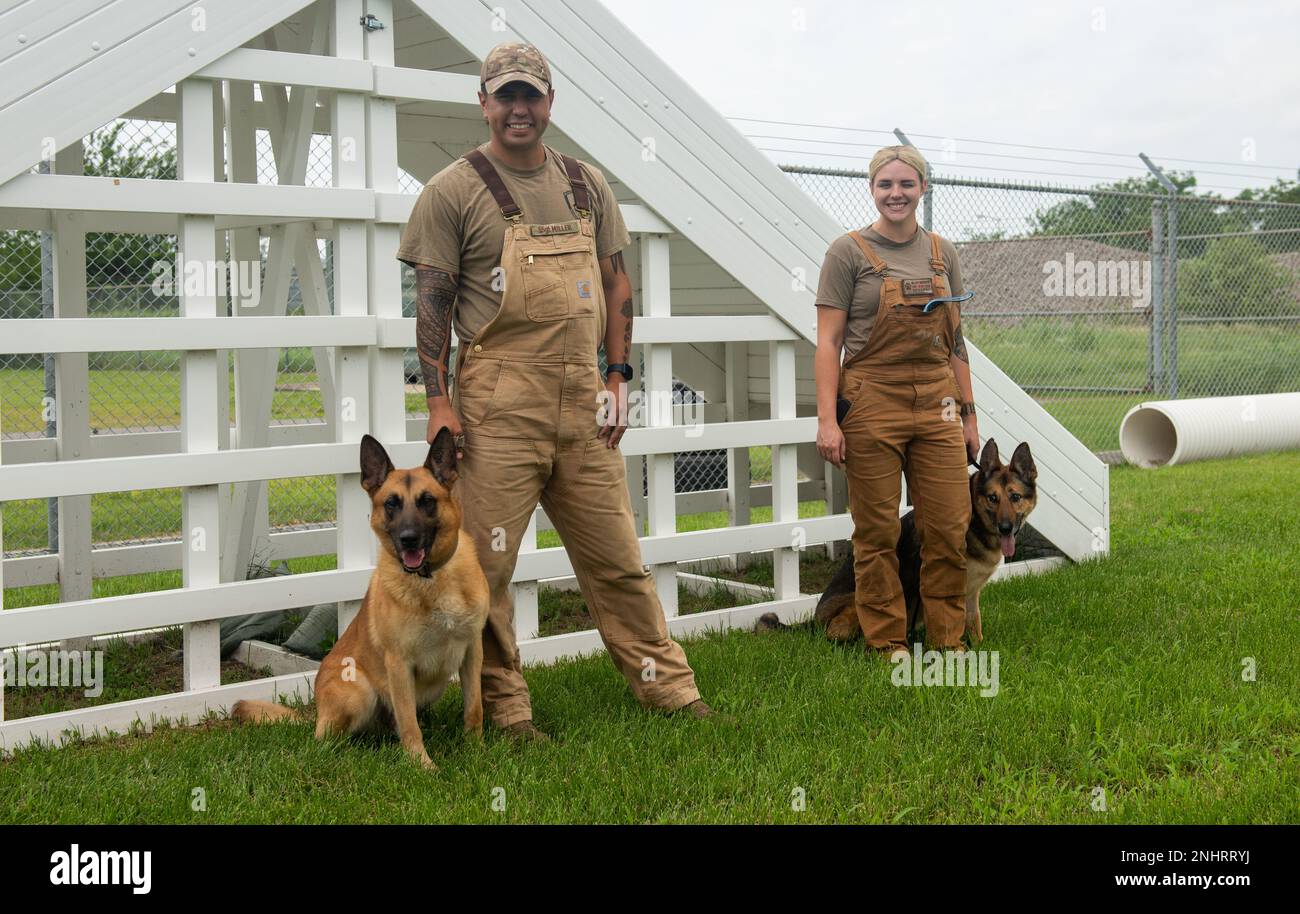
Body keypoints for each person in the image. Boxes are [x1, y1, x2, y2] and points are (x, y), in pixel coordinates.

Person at [396, 42, 717, 741]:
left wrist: (617, 377)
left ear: (549, 103)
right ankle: (507, 714)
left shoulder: (585, 184)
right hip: (497, 409)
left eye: (530, 95)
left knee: (618, 561)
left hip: (585, 404)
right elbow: (433, 303)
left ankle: (670, 691)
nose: (518, 108)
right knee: (488, 568)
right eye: (505, 95)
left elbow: (616, 285)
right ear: (483, 103)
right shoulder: (451, 191)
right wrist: (439, 402)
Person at [813, 145, 980, 656]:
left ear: (922, 188)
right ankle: (887, 641)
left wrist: (969, 416)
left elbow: (955, 342)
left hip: (938, 400)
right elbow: (828, 342)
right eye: (886, 184)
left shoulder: (942, 253)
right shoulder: (847, 253)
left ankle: (947, 639)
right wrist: (827, 420)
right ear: (872, 189)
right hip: (870, 398)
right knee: (879, 530)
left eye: (906, 184)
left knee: (949, 527)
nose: (896, 194)